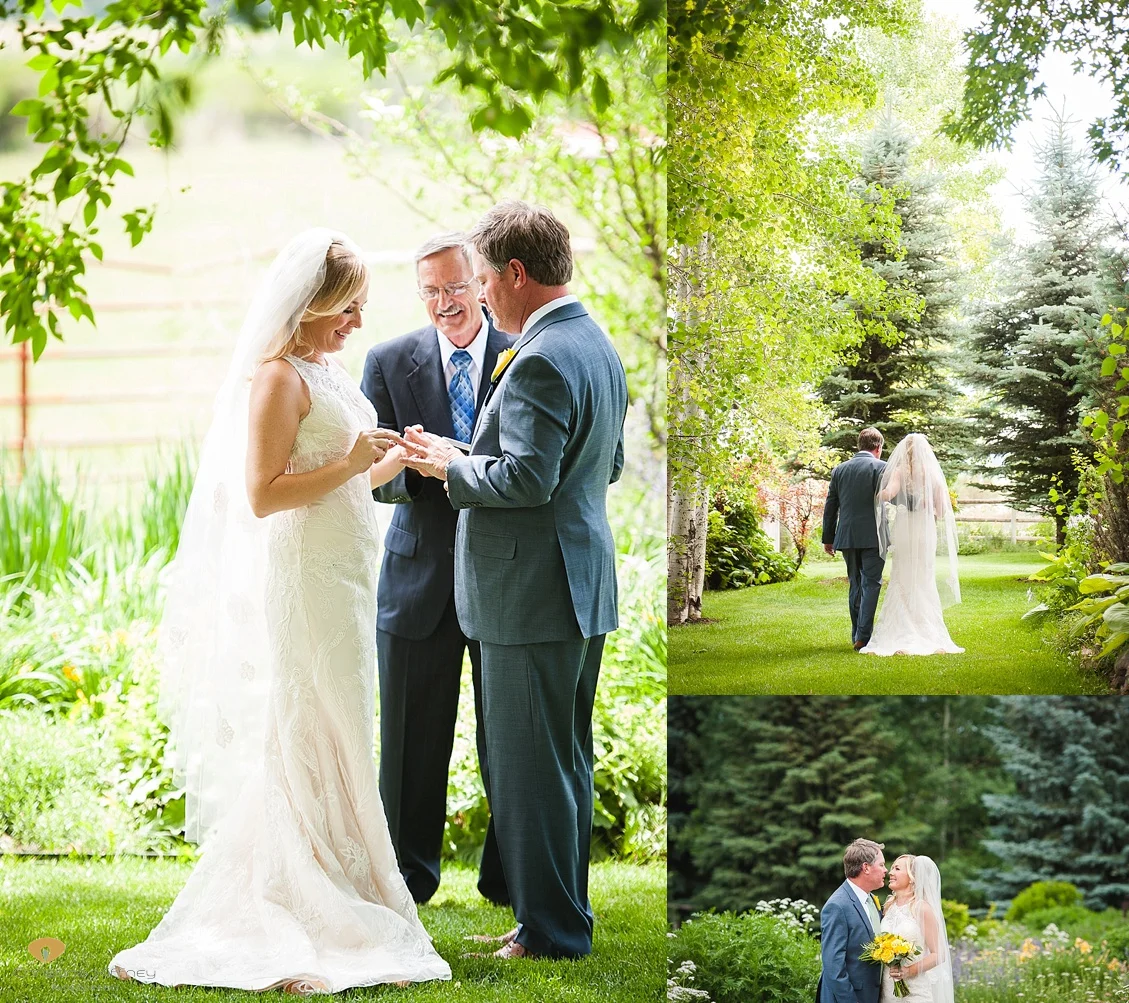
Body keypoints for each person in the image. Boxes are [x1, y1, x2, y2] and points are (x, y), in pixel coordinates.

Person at [108, 230, 451, 993]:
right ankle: (300, 884)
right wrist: (349, 462)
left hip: (348, 572)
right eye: (349, 308)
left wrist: (391, 460)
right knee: (312, 719)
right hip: (307, 577)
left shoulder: (323, 370)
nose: (359, 323)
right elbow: (264, 494)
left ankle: (341, 874)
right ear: (315, 303)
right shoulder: (275, 379)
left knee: (344, 720)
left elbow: (345, 482)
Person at [402, 200, 628, 960]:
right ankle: (554, 918)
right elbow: (597, 466)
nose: (482, 293)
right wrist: (467, 450)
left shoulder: (537, 355)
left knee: (531, 773)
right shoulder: (592, 343)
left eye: (487, 280)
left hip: (526, 594)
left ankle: (551, 934)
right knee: (563, 763)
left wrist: (448, 466)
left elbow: (527, 480)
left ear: (518, 274)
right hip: (574, 584)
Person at [359, 232, 511, 906]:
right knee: (408, 742)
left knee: (507, 736)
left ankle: (507, 880)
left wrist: (461, 463)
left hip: (506, 575)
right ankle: (407, 880)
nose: (444, 302)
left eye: (454, 286)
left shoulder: (522, 352)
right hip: (416, 577)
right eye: (430, 291)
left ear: (480, 282)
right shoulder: (387, 360)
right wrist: (411, 467)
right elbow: (370, 477)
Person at [861, 433, 963, 656]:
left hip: (905, 527)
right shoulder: (933, 475)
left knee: (902, 573)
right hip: (925, 527)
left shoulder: (899, 472)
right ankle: (926, 627)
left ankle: (901, 625)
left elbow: (889, 494)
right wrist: (931, 509)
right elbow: (942, 509)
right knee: (923, 574)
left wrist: (880, 494)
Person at [823, 428, 888, 651]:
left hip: (847, 535)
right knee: (871, 584)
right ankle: (864, 637)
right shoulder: (881, 467)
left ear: (859, 445)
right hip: (874, 536)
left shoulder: (839, 470)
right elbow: (892, 497)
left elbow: (831, 506)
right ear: (878, 447)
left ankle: (857, 635)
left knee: (856, 585)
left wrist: (827, 538)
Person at [817, 839, 886, 1003]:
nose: (886, 870)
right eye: (882, 864)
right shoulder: (837, 906)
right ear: (866, 868)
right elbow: (834, 967)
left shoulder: (872, 900)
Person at [879, 855, 954, 1003]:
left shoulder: (921, 908)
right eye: (892, 868)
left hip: (914, 993)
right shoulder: (888, 907)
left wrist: (908, 971)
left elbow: (939, 954)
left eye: (897, 868)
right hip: (887, 991)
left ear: (912, 877)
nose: (890, 872)